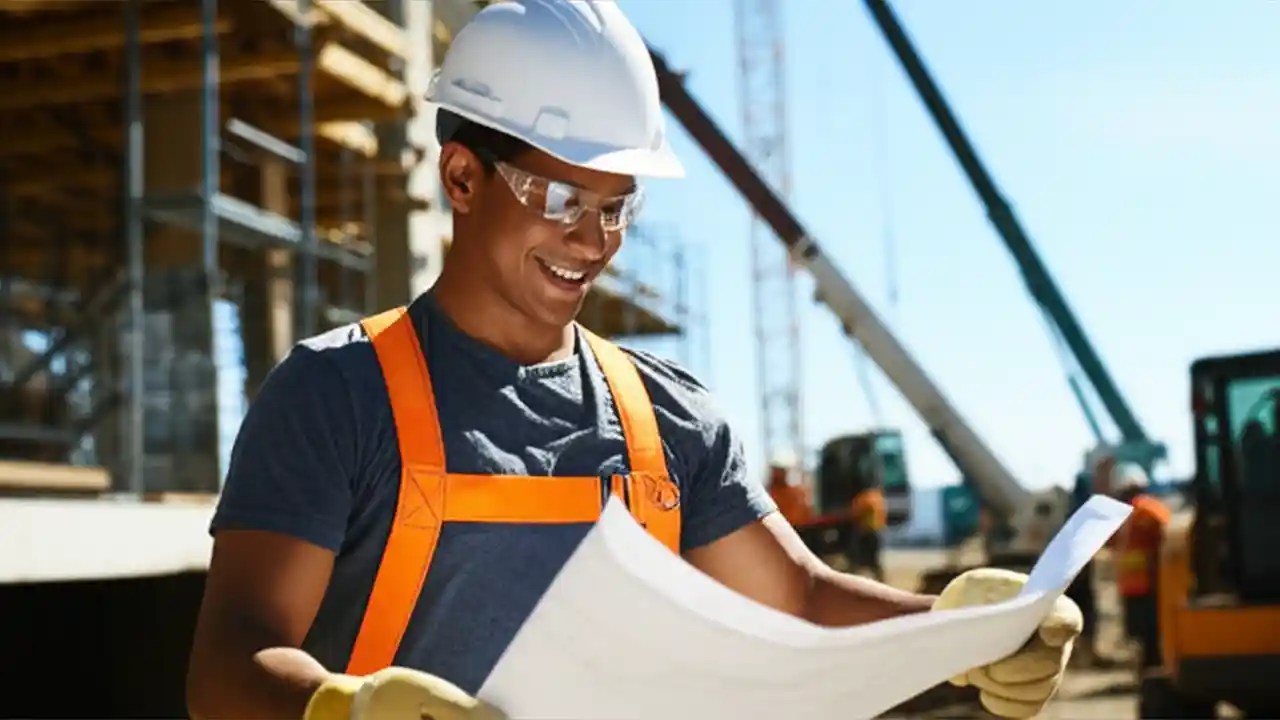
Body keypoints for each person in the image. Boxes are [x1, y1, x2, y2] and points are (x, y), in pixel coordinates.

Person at [184, 2, 1082, 719]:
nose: (594, 238)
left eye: (619, 205)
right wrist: (345, 709)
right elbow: (230, 663)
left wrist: (969, 632)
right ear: (461, 179)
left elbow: (799, 603)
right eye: (562, 195)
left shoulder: (670, 421)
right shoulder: (336, 394)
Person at [1107, 462, 1171, 671]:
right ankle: (1149, 667)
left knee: (1148, 633)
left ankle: (1152, 667)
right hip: (1142, 584)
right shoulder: (1150, 510)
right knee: (1146, 633)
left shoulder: (1140, 512)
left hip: (1143, 584)